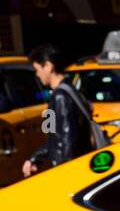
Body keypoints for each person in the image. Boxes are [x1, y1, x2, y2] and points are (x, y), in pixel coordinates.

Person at [23, 44, 98, 177]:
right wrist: (35, 159)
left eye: (37, 69)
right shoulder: (69, 91)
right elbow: (54, 137)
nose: (37, 74)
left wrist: (62, 175)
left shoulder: (60, 97)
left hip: (69, 172)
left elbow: (67, 142)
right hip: (79, 167)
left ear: (48, 66)